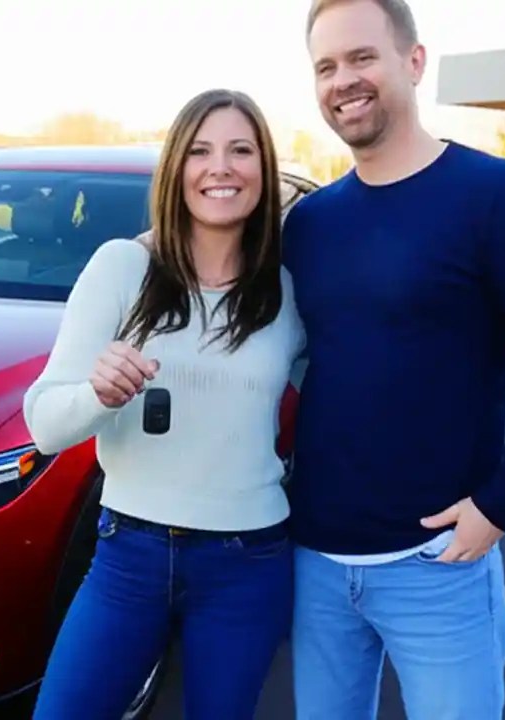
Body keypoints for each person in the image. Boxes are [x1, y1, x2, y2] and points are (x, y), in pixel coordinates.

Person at [282, 1, 505, 718]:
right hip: (318, 562)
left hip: (439, 567)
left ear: (413, 62)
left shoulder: (494, 196)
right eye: (326, 66)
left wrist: (499, 506)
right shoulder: (311, 223)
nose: (343, 81)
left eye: (363, 57)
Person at [22, 88, 306, 720]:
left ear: (264, 167)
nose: (221, 168)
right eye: (201, 151)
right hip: (131, 556)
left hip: (249, 563)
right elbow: (43, 425)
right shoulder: (123, 267)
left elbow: (355, 393)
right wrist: (97, 394)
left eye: (241, 150)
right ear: (177, 167)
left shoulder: (286, 290)